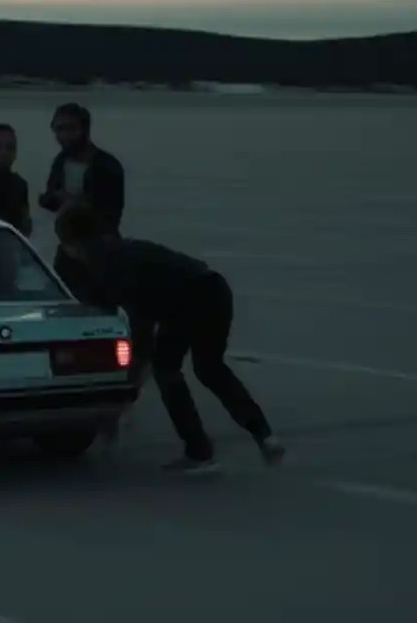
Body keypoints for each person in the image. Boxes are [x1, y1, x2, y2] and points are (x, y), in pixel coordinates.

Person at [54, 201, 287, 473]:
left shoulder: (105, 264)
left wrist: (130, 383)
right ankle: (265, 435)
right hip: (213, 288)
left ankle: (199, 451)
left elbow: (140, 324)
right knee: (211, 369)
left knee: (167, 370)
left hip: (185, 302)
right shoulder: (119, 248)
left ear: (71, 244)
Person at [37, 103, 125, 297]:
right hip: (68, 246)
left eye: (70, 128)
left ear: (84, 129)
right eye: (59, 129)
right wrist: (50, 199)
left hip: (101, 247)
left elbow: (111, 211)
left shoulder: (106, 164)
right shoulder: (61, 161)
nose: (64, 135)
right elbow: (52, 196)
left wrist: (77, 203)